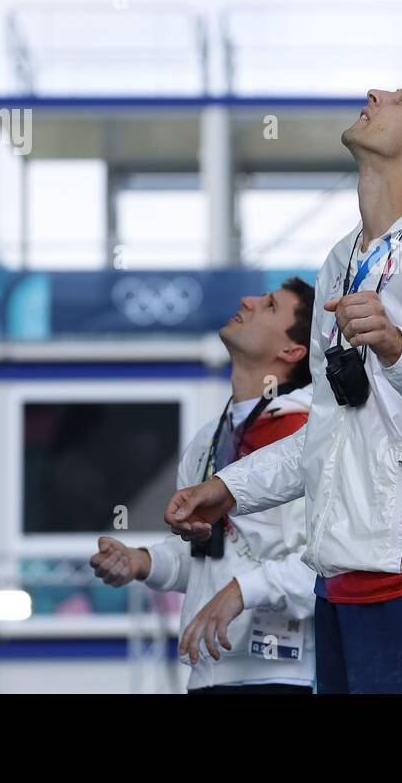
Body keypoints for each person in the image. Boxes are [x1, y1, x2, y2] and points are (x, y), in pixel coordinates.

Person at [165, 78, 402, 694]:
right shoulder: (342, 260)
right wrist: (229, 488)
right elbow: (329, 431)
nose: (375, 92)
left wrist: (400, 347)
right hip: (339, 582)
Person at [90, 279, 317, 694]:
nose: (246, 300)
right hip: (207, 672)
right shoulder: (209, 439)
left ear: (292, 351)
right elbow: (203, 557)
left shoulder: (308, 437)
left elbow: (326, 563)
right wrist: (142, 563)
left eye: (268, 306)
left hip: (283, 677)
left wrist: (240, 591)